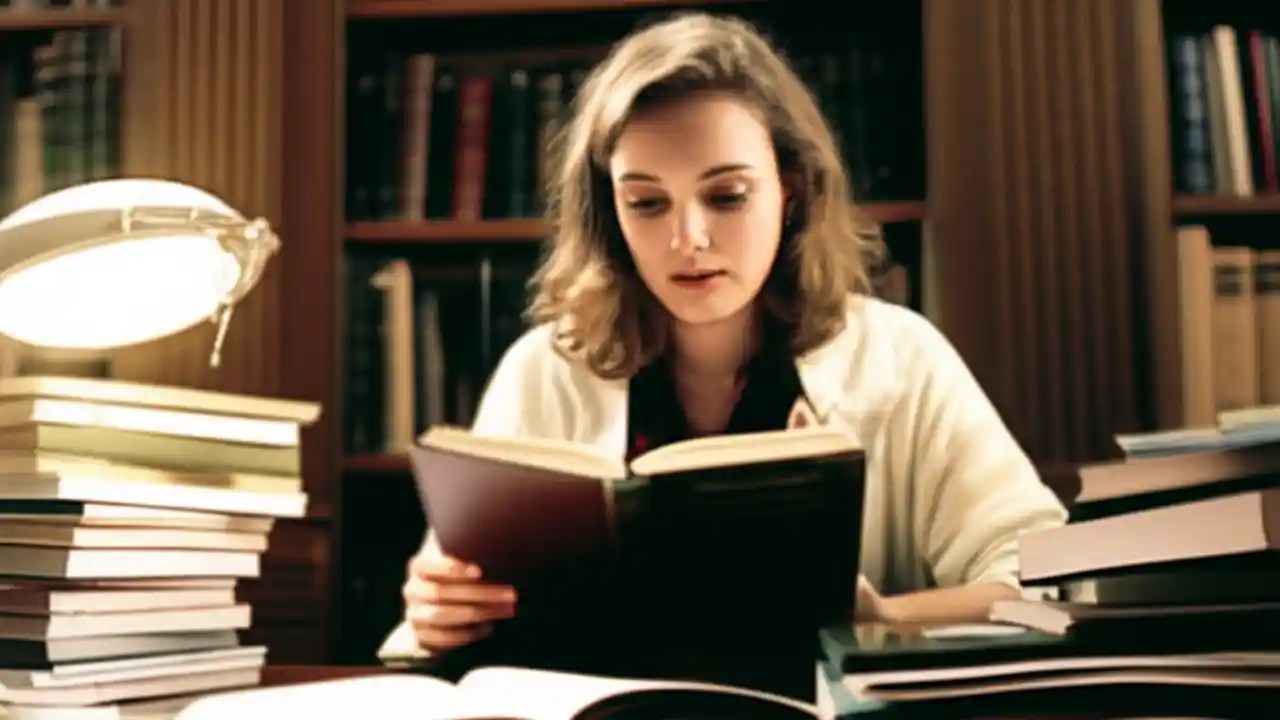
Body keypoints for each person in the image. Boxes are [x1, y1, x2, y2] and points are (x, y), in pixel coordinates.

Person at [379, 10, 1066, 670]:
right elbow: (442, 610)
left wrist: (880, 616)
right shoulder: (545, 368)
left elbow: (1041, 586)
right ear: (610, 210)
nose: (688, 240)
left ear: (790, 191)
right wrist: (438, 608)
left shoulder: (901, 359)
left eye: (727, 196)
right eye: (646, 202)